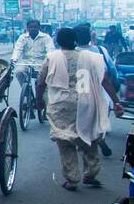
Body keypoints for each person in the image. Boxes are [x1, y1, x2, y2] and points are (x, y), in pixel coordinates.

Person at [38, 27, 123, 190]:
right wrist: (116, 101)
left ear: (57, 41)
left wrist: (39, 100)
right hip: (86, 101)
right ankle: (91, 173)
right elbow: (104, 80)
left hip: (60, 104)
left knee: (65, 140)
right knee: (89, 137)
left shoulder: (52, 57)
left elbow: (41, 81)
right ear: (75, 40)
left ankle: (72, 179)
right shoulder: (90, 57)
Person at [74, 22, 119, 159]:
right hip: (100, 91)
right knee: (97, 120)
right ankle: (98, 138)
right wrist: (116, 98)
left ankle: (86, 140)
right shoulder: (100, 50)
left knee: (79, 120)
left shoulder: (70, 54)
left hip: (78, 91)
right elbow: (111, 71)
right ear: (90, 37)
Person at [10, 19, 54, 94]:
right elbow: (18, 49)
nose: (33, 29)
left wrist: (49, 60)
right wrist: (14, 59)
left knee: (40, 82)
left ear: (39, 27)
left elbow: (50, 50)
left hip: (41, 63)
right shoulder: (23, 37)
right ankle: (27, 93)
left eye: (35, 27)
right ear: (27, 28)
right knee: (18, 72)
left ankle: (40, 96)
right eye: (30, 27)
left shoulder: (46, 37)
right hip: (26, 62)